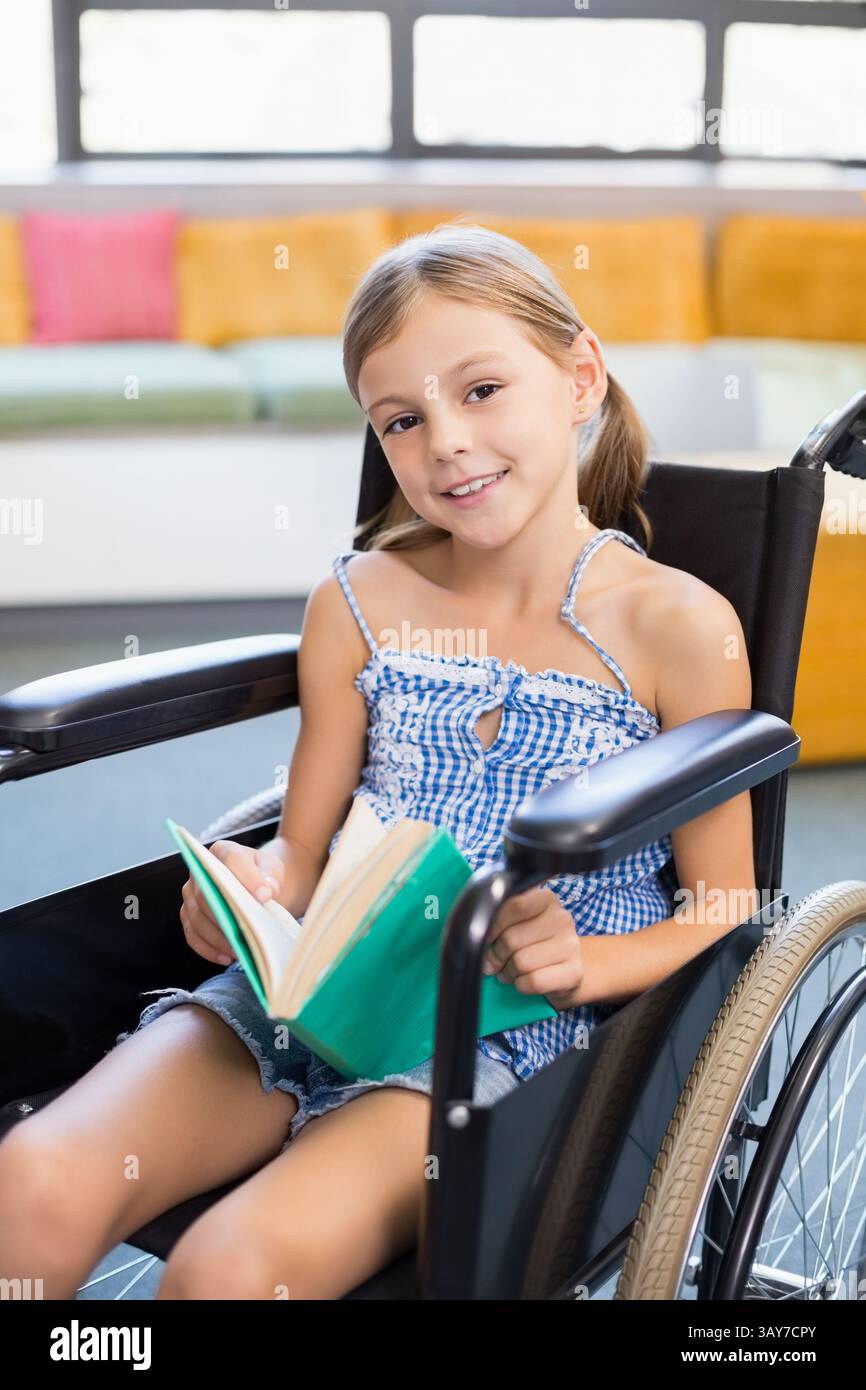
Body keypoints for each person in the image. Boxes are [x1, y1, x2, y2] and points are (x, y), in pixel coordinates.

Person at [0, 222, 756, 1300]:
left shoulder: (677, 626)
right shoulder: (357, 600)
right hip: (318, 993)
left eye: (482, 390)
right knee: (30, 1176)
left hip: (505, 1029)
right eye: (401, 418)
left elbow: (725, 904)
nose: (444, 440)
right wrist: (253, 894)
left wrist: (578, 964)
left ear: (578, 376)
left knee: (229, 1269)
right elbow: (300, 852)